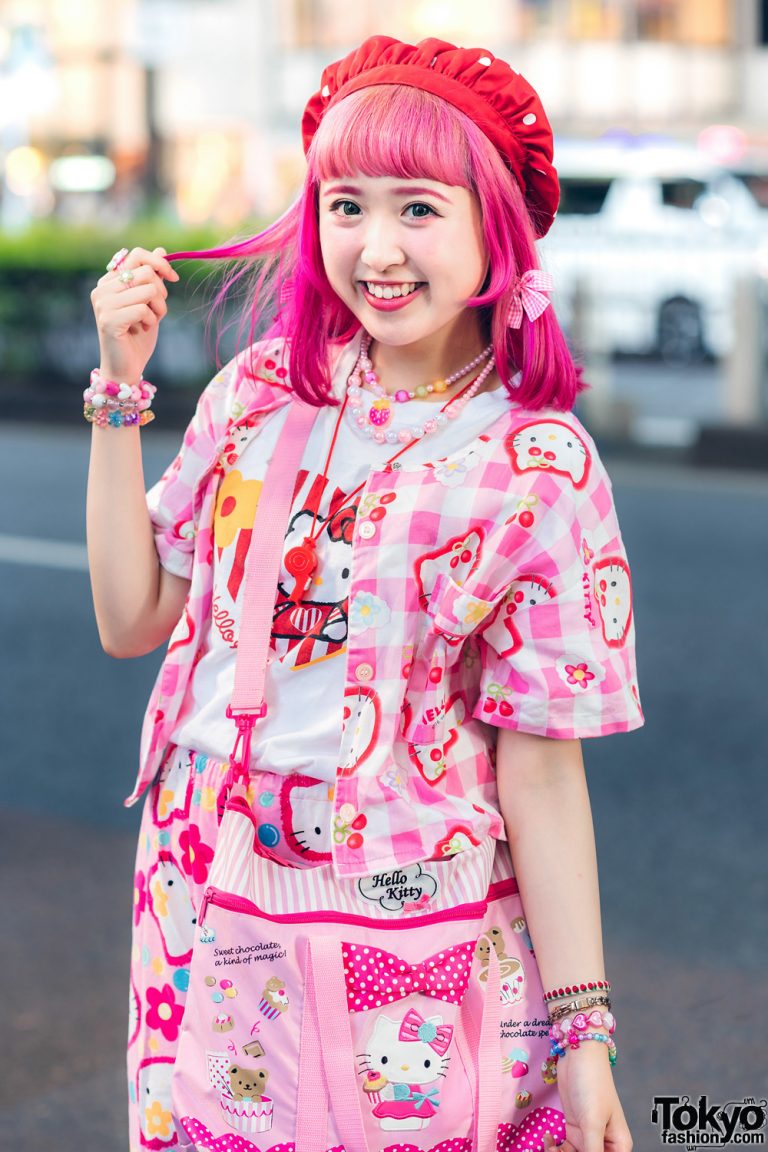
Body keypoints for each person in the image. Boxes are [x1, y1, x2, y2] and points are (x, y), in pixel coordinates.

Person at [88, 35, 643, 1152]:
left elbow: (540, 769)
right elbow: (131, 618)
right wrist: (122, 387)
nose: (376, 248)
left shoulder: (539, 466)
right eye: (346, 206)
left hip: (407, 901)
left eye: (418, 209)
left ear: (497, 225)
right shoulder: (257, 395)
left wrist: (587, 1037)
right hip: (202, 866)